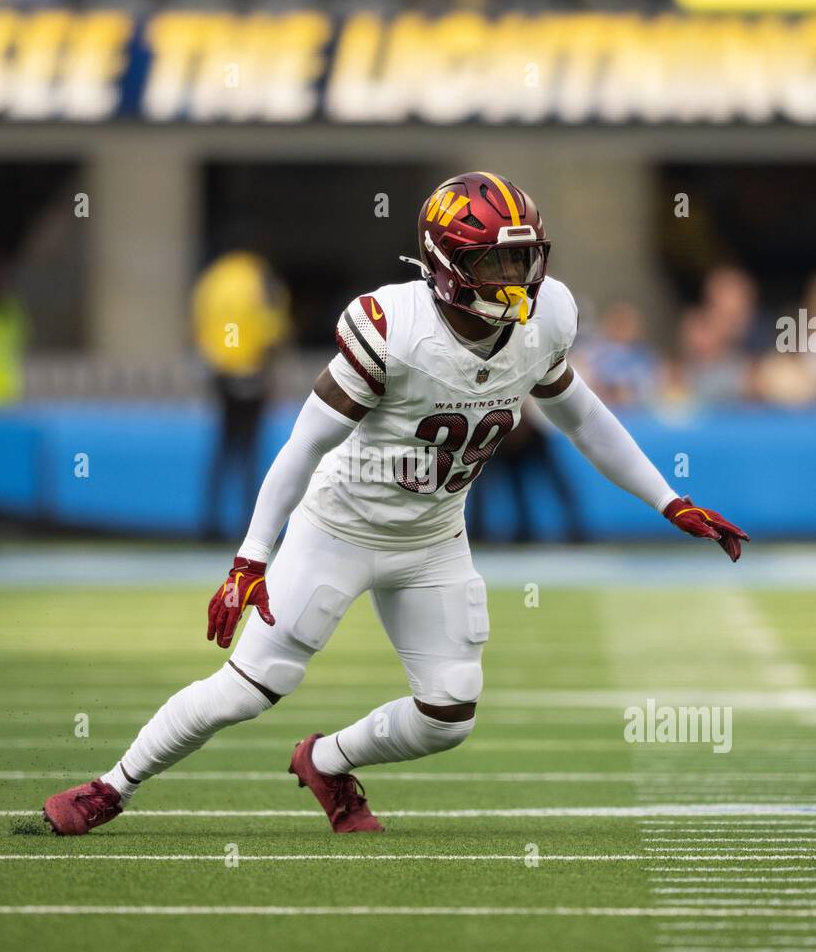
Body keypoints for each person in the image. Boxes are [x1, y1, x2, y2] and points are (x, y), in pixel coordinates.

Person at [43, 171, 748, 837]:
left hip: (434, 537)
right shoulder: (393, 327)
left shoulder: (547, 319)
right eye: (497, 266)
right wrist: (251, 556)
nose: (519, 281)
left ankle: (325, 762)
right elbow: (301, 446)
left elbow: (584, 417)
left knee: (449, 713)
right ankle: (112, 785)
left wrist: (667, 499)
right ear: (444, 266)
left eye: (525, 260)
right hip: (339, 529)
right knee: (248, 689)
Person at [191, 250, 291, 540]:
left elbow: (198, 326)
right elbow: (272, 328)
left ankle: (209, 524)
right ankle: (251, 527)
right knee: (250, 452)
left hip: (221, 372)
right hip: (253, 371)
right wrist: (271, 373)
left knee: (222, 449)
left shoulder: (213, 279)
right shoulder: (262, 280)